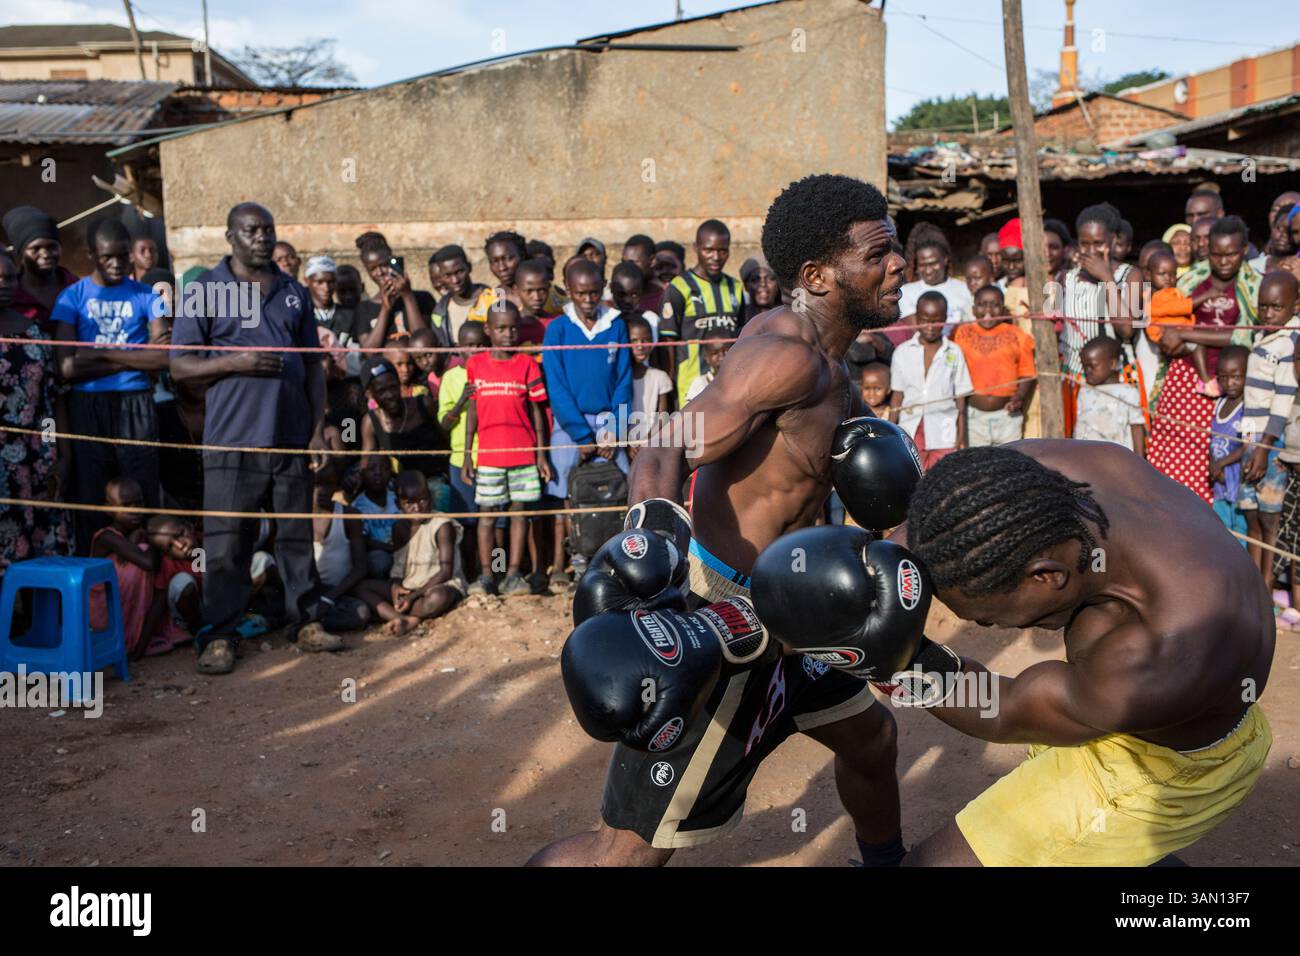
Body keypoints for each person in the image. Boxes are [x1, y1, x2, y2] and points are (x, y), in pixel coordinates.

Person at [530, 173, 912, 867]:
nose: (899, 264)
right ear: (819, 276)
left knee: (871, 740)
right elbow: (666, 444)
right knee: (622, 854)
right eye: (879, 254)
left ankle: (885, 863)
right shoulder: (786, 358)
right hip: (723, 622)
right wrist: (650, 546)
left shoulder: (836, 370)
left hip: (798, 615)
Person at [772, 441, 1273, 866]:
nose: (984, 626)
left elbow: (1003, 709)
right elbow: (951, 507)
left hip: (1159, 773)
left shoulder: (1159, 655)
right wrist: (876, 560)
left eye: (987, 617)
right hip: (1140, 709)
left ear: (1046, 577)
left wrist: (891, 660)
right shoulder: (1064, 477)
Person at [170, 202, 342, 675]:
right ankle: (218, 635)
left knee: (294, 537)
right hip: (230, 440)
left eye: (268, 230)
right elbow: (179, 364)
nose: (262, 238)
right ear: (230, 237)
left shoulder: (292, 291)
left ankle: (306, 621)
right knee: (227, 545)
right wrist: (234, 363)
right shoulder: (206, 290)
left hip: (288, 436)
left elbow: (312, 365)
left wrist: (314, 431)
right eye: (251, 231)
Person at [52, 218, 169, 554]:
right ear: (92, 255)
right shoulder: (71, 298)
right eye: (108, 257)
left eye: (123, 256)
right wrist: (135, 355)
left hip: (135, 401)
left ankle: (147, 583)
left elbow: (164, 358)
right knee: (93, 494)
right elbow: (65, 367)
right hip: (87, 405)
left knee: (141, 490)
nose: (117, 264)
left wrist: (101, 352)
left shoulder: (147, 294)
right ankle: (97, 585)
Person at [462, 302, 551, 597]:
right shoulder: (476, 364)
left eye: (513, 327)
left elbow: (537, 412)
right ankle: (488, 574)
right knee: (487, 515)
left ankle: (513, 573)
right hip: (488, 455)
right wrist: (466, 454)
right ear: (488, 330)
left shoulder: (527, 364)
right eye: (500, 328)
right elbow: (472, 411)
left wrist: (540, 454)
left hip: (523, 454)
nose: (508, 333)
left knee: (519, 514)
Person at [540, 257, 632, 526]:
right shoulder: (558, 329)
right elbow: (557, 387)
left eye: (594, 292)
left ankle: (617, 544)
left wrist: (614, 430)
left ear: (602, 287)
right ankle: (569, 555)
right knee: (563, 488)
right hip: (569, 424)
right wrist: (581, 436)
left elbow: (623, 382)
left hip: (609, 422)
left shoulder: (617, 325)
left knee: (623, 482)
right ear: (568, 291)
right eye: (581, 293)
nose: (588, 299)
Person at [0, 248, 71, 580]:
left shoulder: (34, 332)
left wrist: (57, 450)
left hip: (34, 455)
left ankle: (39, 624)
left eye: (10, 277)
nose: (4, 284)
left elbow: (50, 399)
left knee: (40, 544)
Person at [1237, 271, 1300, 597]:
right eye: (1263, 307)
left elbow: (1282, 400)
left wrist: (1263, 447)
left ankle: (1267, 584)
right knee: (1252, 517)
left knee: (1270, 518)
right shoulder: (1264, 335)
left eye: (1276, 307)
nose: (1268, 314)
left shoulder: (1291, 341)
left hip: (1268, 443)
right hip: (1252, 437)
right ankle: (1254, 583)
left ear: (1295, 305)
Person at [1057, 203, 1145, 436]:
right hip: (1075, 380)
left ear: (1113, 239)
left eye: (1098, 243)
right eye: (1084, 244)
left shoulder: (1132, 276)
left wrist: (1106, 277)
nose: (1091, 251)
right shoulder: (1065, 277)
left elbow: (1127, 330)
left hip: (1117, 385)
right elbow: (1052, 326)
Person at [355, 470, 466, 635]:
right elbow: (399, 567)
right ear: (399, 504)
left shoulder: (442, 525)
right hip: (411, 586)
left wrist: (413, 597)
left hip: (438, 585)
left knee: (438, 598)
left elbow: (446, 571)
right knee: (362, 587)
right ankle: (402, 618)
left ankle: (405, 616)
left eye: (423, 500)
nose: (417, 508)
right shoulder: (399, 527)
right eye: (409, 503)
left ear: (430, 497)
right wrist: (395, 586)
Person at [659, 220, 746, 407]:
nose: (716, 257)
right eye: (708, 250)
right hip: (690, 384)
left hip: (731, 385)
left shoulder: (735, 288)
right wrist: (672, 382)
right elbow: (668, 343)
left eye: (722, 250)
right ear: (695, 248)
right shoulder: (679, 288)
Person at [890, 291, 971, 468]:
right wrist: (889, 432)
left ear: (944, 319)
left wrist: (961, 436)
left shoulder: (954, 352)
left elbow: (961, 399)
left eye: (936, 320)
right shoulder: (902, 352)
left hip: (944, 432)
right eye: (925, 319)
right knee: (913, 479)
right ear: (917, 318)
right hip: (910, 430)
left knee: (942, 480)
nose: (930, 326)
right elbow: (897, 396)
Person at [952, 284, 1035, 447]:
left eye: (995, 305)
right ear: (974, 309)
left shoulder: (1017, 335)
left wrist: (1019, 397)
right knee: (978, 465)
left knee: (1008, 464)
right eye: (982, 304)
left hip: (1007, 416)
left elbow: (1027, 372)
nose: (988, 310)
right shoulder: (960, 333)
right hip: (973, 416)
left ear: (1003, 310)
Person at [359, 359, 451, 506]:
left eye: (393, 387)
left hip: (437, 479)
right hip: (402, 486)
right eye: (381, 391)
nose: (390, 395)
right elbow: (367, 459)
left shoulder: (424, 404)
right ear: (370, 394)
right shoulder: (370, 421)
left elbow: (448, 440)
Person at [88, 476, 162, 658]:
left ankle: (137, 641)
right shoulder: (106, 537)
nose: (135, 510)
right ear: (109, 510)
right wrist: (151, 539)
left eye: (139, 503)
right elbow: (149, 562)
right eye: (127, 505)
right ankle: (130, 642)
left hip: (124, 610)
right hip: (103, 614)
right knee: (146, 552)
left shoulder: (137, 533)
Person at [308, 462, 372, 632]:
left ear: (336, 485)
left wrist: (329, 598)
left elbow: (360, 568)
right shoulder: (295, 514)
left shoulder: (349, 516)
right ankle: (307, 620)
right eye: (316, 484)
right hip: (306, 591)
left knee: (361, 613)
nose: (322, 491)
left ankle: (306, 622)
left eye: (328, 484)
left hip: (338, 591)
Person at [2, 205, 77, 334]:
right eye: (35, 249)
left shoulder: (76, 288)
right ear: (20, 254)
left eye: (52, 247)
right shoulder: (8, 293)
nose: (46, 254)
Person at [354, 231, 433, 345]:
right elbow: (369, 351)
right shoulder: (364, 308)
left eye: (384, 265)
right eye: (373, 269)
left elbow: (424, 342)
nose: (380, 272)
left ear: (392, 261)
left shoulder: (422, 298)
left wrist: (407, 296)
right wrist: (385, 309)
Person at [1073, 337, 1146, 456]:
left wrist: (1140, 462)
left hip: (1117, 460)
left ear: (1112, 364)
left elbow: (1137, 427)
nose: (1087, 371)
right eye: (1084, 366)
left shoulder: (1127, 392)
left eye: (1092, 366)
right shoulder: (1084, 391)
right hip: (1085, 459)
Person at [895, 237, 972, 345]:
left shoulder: (965, 289)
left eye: (933, 263)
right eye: (923, 265)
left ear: (945, 259)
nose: (928, 270)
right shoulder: (906, 293)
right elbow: (920, 330)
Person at [1209, 345, 1249, 539]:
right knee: (1221, 529)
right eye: (1223, 377)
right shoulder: (1220, 403)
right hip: (1219, 479)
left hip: (1237, 478)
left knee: (1239, 529)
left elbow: (1248, 445)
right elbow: (1212, 438)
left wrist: (1221, 464)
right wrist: (1213, 466)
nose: (1229, 383)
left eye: (1236, 377)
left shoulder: (1248, 408)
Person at [627, 314, 673, 460]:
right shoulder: (620, 378)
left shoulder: (660, 377)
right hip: (624, 444)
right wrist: (628, 443)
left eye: (645, 340)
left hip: (651, 443)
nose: (640, 346)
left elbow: (662, 416)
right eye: (634, 341)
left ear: (652, 342)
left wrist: (646, 441)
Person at [352, 454, 401, 578]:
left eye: (384, 468)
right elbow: (363, 541)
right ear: (362, 473)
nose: (378, 473)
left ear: (391, 473)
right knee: (379, 561)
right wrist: (392, 548)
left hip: (401, 548)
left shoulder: (397, 498)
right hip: (380, 552)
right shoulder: (359, 506)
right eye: (372, 468)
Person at [430, 244, 492, 342]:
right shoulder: (440, 311)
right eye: (447, 275)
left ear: (469, 267)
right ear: (441, 277)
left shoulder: (493, 299)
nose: (455, 280)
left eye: (459, 272)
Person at [621, 234, 664, 313]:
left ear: (652, 261)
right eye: (624, 262)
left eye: (633, 263)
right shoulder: (615, 297)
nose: (627, 268)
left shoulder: (666, 297)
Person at [739, 256, 780, 325]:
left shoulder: (790, 315)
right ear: (745, 286)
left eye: (770, 279)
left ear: (778, 284)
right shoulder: (738, 318)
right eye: (755, 279)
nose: (763, 284)